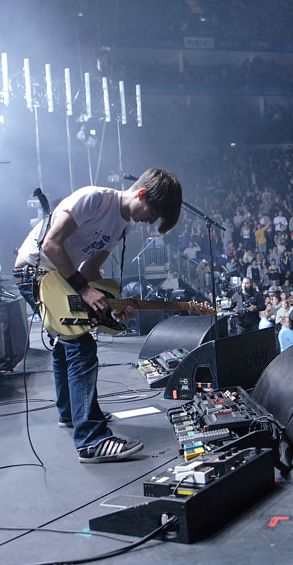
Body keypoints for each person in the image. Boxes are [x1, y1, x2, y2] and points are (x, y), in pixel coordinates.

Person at [14, 168, 182, 463]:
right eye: (153, 213)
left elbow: (90, 270)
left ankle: (71, 413)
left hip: (61, 278)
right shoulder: (94, 199)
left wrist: (114, 303)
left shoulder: (122, 227)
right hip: (35, 272)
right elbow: (51, 244)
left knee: (66, 343)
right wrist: (84, 291)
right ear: (142, 194)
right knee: (80, 344)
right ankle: (91, 440)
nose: (150, 221)